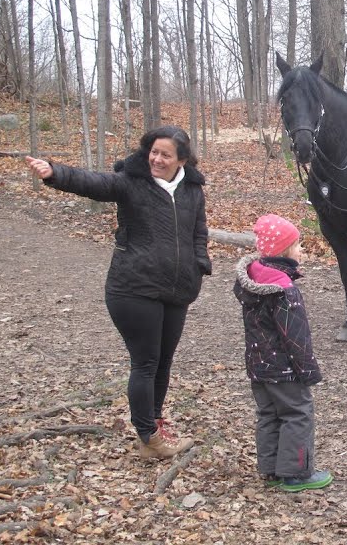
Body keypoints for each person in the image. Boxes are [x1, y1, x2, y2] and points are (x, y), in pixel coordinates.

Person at [24, 125, 211, 460]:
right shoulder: (131, 181)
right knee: (146, 362)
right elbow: (94, 183)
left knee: (163, 361)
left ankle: (152, 428)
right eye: (153, 151)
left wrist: (200, 263)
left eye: (165, 154)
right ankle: (148, 436)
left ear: (182, 159)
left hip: (177, 289)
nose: (156, 158)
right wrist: (55, 172)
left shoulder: (192, 190)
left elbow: (199, 231)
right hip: (133, 288)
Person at [234, 214, 333, 492]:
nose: (301, 250)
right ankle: (296, 473)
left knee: (268, 413)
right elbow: (296, 337)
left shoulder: (253, 280)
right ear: (284, 251)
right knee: (298, 412)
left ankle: (270, 468)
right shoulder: (284, 291)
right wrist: (308, 371)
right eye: (297, 245)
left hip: (258, 365)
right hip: (284, 368)